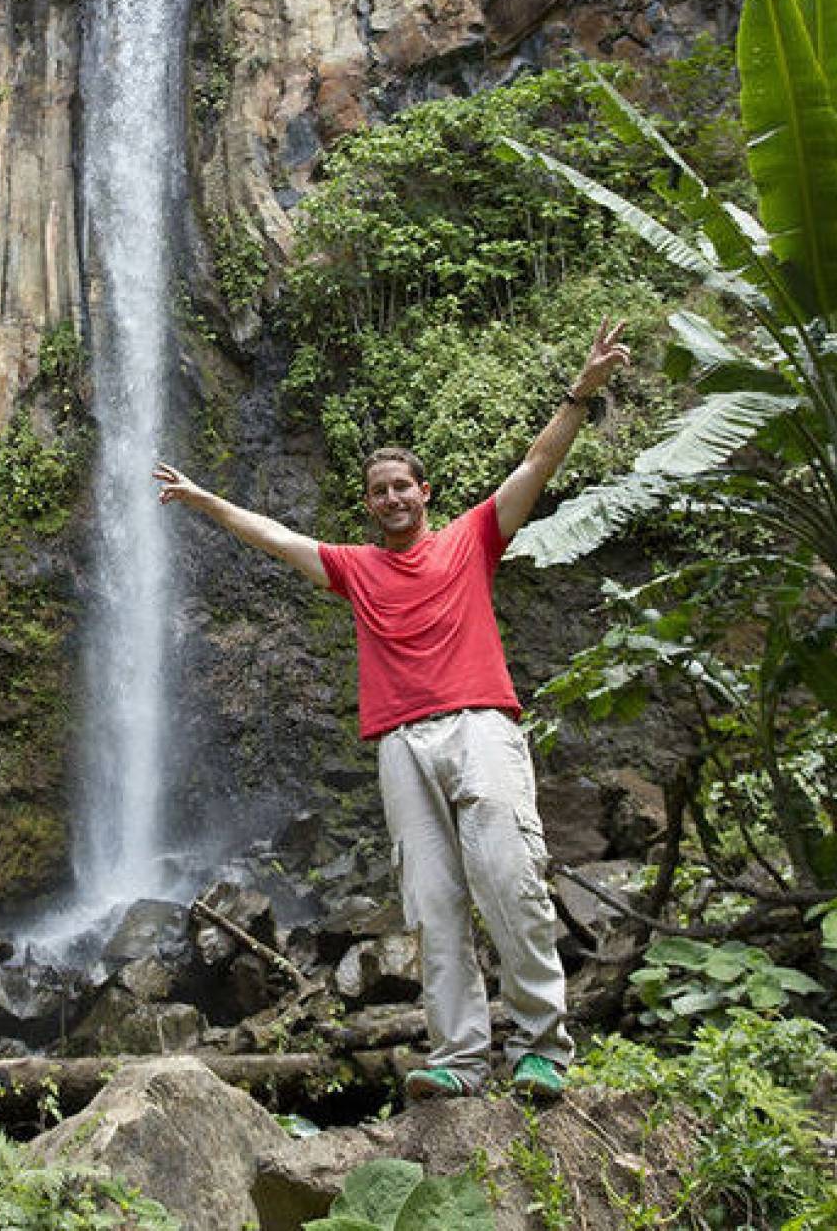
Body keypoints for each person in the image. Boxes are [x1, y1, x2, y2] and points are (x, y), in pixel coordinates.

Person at [154, 319, 631, 1101]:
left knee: (510, 882)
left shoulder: (474, 538)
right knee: (432, 905)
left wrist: (584, 388)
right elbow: (273, 537)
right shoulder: (354, 570)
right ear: (370, 505)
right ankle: (462, 1058)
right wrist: (205, 501)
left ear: (424, 493)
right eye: (378, 491)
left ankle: (542, 1046)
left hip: (480, 726)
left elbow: (538, 464)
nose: (391, 498)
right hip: (400, 745)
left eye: (402, 486)